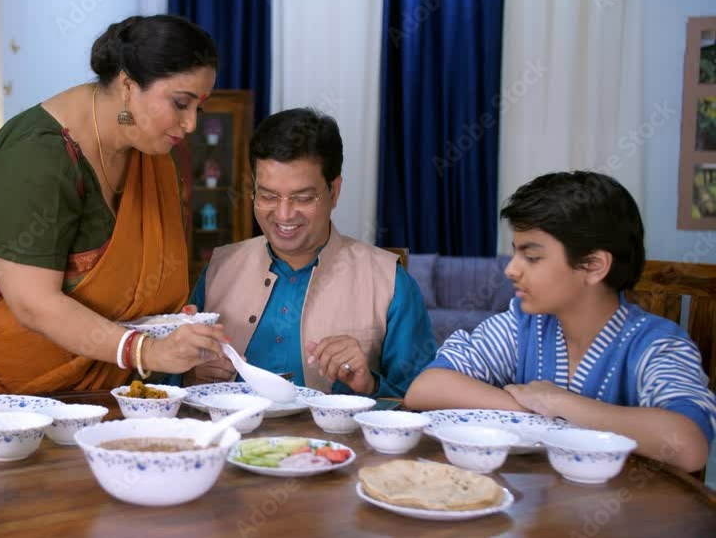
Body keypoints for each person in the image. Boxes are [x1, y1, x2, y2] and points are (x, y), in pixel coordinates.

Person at [0, 15, 227, 395]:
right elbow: (33, 304)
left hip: (116, 389)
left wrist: (164, 326)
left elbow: (142, 287)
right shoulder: (38, 154)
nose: (191, 125)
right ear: (128, 85)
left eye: (199, 108)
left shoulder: (152, 151)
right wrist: (146, 349)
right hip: (15, 397)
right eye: (181, 104)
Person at [404, 171, 716, 472]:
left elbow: (689, 444)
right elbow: (427, 387)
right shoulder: (523, 325)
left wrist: (559, 401)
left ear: (593, 266)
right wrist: (536, 409)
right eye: (515, 253)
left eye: (532, 256)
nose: (511, 269)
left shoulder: (656, 345)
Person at [183, 108, 436, 397]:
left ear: (334, 192)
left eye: (303, 198)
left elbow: (423, 399)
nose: (284, 214)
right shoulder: (220, 268)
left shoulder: (389, 281)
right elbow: (165, 377)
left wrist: (371, 385)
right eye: (267, 196)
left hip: (336, 442)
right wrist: (190, 375)